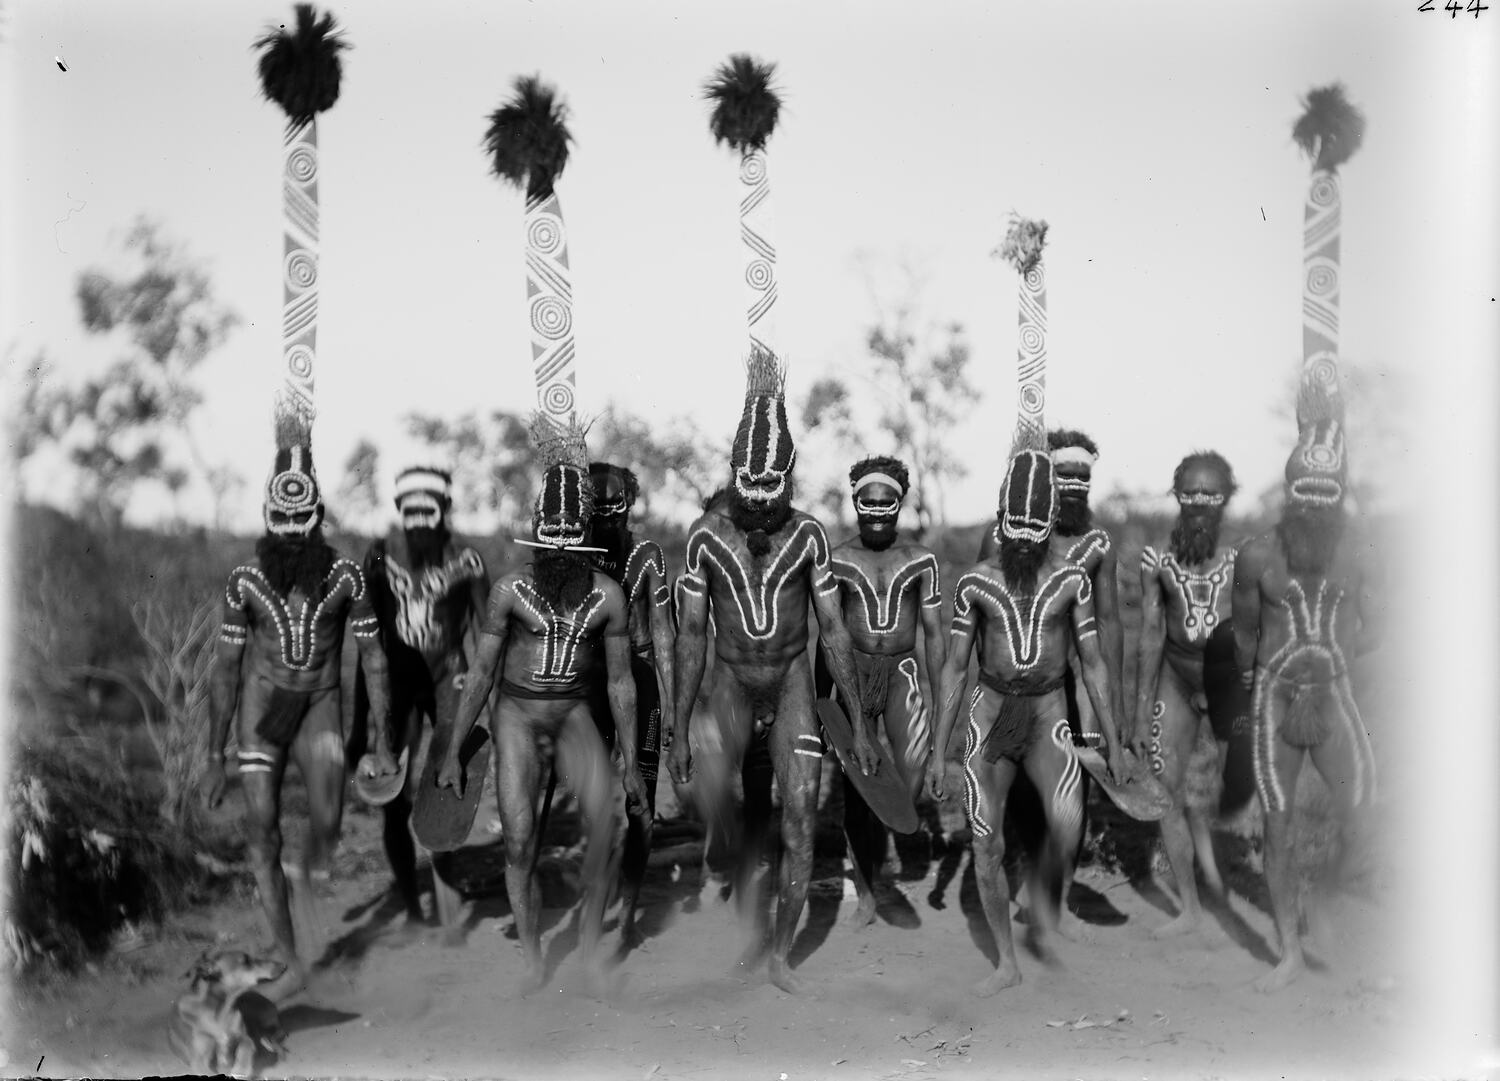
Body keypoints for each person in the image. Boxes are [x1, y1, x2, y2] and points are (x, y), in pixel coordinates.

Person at [666, 351, 878, 995]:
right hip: (729, 681)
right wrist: (679, 727)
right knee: (714, 804)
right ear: (734, 474)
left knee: (802, 817)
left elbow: (834, 630)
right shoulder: (705, 536)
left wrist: (861, 722)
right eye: (747, 488)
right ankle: (743, 917)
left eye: (771, 489)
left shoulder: (810, 537)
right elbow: (692, 637)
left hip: (788, 683)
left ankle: (780, 954)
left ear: (787, 477)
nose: (759, 504)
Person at [439, 417, 647, 994]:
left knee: (607, 825)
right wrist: (455, 749)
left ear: (583, 534)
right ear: (536, 530)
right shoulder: (510, 591)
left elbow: (622, 685)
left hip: (576, 714)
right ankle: (533, 960)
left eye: (567, 533)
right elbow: (480, 671)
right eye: (548, 532)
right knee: (519, 839)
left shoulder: (608, 597)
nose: (557, 544)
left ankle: (585, 953)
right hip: (518, 718)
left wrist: (629, 760)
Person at [205, 435, 399, 1001]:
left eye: (301, 519)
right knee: (261, 831)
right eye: (280, 519)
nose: (291, 530)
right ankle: (291, 960)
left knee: (330, 816)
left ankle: (303, 881)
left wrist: (384, 745)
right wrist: (213, 756)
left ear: (318, 518)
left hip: (318, 705)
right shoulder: (245, 581)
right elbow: (224, 670)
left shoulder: (345, 579)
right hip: (264, 712)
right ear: (267, 519)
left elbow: (375, 661)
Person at [1233, 390, 1378, 992]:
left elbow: (1380, 623)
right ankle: (1289, 950)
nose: (1316, 508)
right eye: (1306, 496)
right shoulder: (1257, 555)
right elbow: (1243, 636)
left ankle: (1324, 901)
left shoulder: (1356, 555)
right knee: (1277, 821)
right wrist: (1269, 687)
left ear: (1340, 499)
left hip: (1333, 696)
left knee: (1363, 806)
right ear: (1290, 496)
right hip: (1274, 698)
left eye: (1328, 497)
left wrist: (1335, 670)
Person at [354, 466, 490, 933]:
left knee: (446, 787)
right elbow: (368, 644)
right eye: (408, 514)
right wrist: (367, 724)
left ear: (445, 511)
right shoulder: (378, 560)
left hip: (448, 675)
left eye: (426, 514)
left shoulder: (467, 562)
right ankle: (414, 908)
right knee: (395, 791)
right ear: (398, 512)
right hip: (399, 680)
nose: (416, 525)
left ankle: (449, 907)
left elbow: (486, 633)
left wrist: (485, 695)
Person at [820, 455, 944, 927]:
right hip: (853, 675)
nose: (876, 511)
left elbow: (935, 636)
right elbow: (828, 636)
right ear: (855, 502)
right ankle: (869, 891)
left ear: (900, 504)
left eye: (886, 503)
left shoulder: (920, 560)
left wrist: (935, 699)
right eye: (867, 503)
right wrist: (823, 700)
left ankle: (878, 857)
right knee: (859, 790)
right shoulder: (838, 560)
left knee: (908, 772)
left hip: (903, 675)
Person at [1133, 451, 1249, 936]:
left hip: (1227, 682)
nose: (1199, 506)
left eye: (1211, 497)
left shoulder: (1244, 558)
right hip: (1175, 682)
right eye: (1191, 496)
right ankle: (1191, 909)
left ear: (1226, 500)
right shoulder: (1156, 560)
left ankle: (1227, 862)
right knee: (1163, 789)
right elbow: (1151, 633)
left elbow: (1253, 632)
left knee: (1242, 789)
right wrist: (1141, 714)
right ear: (1178, 498)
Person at [584, 461, 677, 945]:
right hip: (590, 683)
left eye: (615, 510)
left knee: (640, 800)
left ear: (629, 507)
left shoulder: (647, 556)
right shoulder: (575, 556)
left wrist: (674, 708)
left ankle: (627, 918)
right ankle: (595, 905)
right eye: (597, 511)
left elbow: (662, 633)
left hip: (639, 679)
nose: (607, 521)